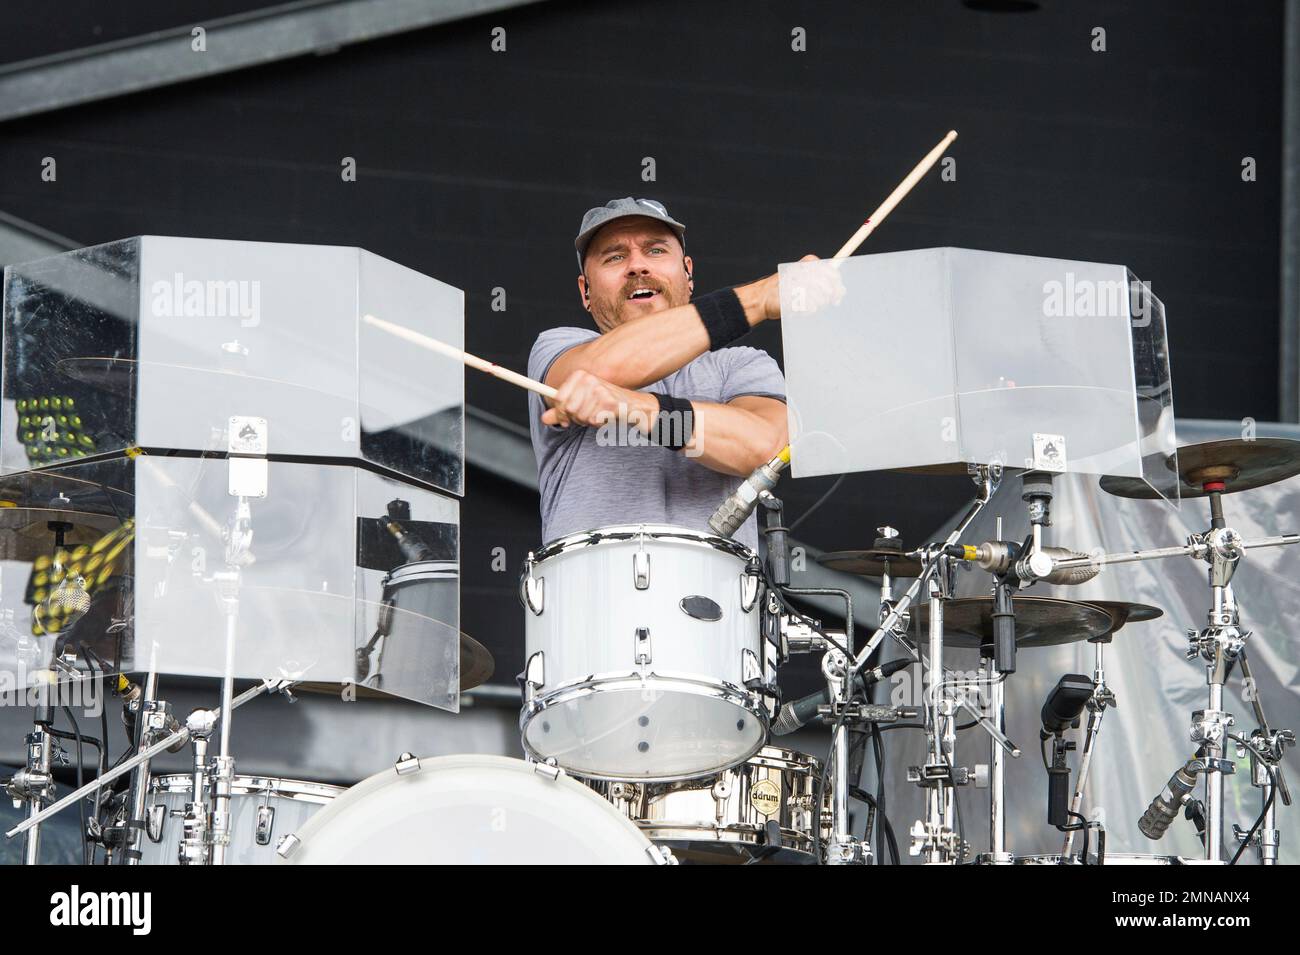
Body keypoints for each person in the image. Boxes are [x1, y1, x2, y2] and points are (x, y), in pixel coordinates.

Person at [527, 197, 831, 551]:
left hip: (716, 601)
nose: (637, 266)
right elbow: (596, 370)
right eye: (614, 256)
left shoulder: (741, 364)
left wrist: (637, 408)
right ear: (586, 292)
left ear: (688, 273)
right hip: (587, 597)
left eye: (655, 251)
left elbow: (762, 447)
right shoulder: (558, 346)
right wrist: (757, 300)